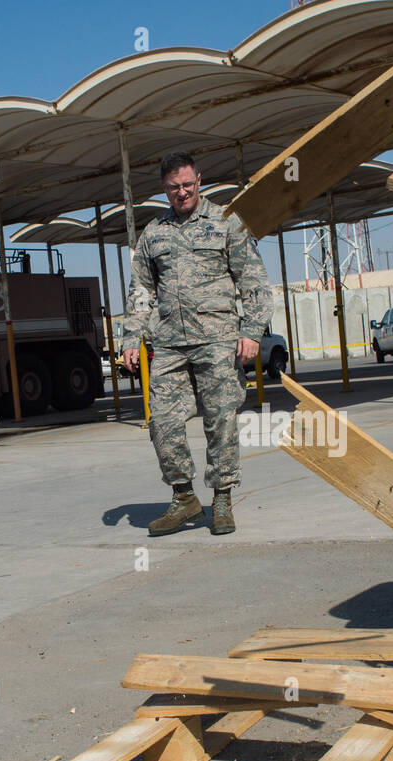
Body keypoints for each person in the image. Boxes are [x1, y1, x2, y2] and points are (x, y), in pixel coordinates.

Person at [122, 151, 271, 535]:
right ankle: (184, 498)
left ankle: (222, 499)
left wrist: (252, 331)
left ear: (199, 180)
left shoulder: (225, 223)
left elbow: (252, 280)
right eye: (174, 188)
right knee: (163, 425)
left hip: (218, 341)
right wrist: (129, 337)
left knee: (220, 420)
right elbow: (141, 290)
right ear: (163, 188)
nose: (182, 193)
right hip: (170, 344)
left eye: (188, 185)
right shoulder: (153, 233)